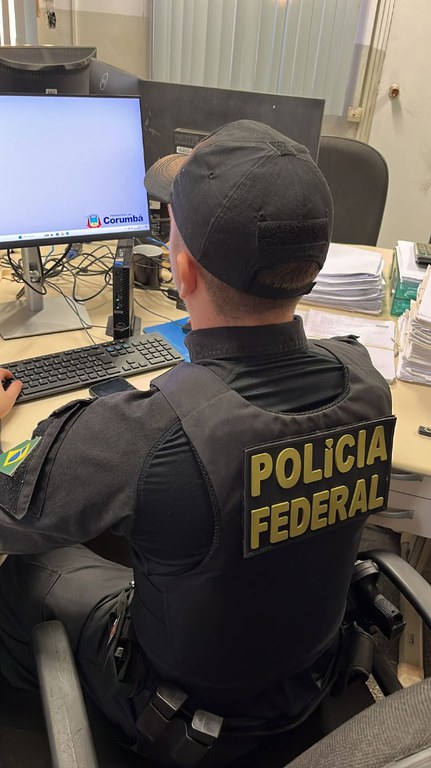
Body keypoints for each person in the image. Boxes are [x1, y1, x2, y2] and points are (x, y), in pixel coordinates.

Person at [0, 120, 395, 766]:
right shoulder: (365, 384)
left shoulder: (144, 434)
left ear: (180, 268)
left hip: (177, 718)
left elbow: (11, 512)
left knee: (25, 571)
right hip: (308, 678)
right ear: (311, 268)